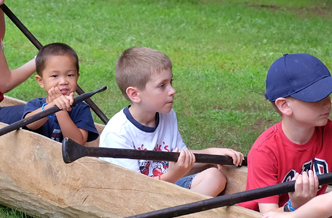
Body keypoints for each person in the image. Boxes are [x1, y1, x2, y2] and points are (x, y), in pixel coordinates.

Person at [238, 53, 332, 218]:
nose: (327, 102)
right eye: (317, 97)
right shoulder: (265, 151)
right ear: (284, 105)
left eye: (328, 93)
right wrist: (294, 205)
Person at [98, 47, 244, 196]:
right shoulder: (118, 133)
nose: (172, 90)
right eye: (162, 85)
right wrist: (173, 175)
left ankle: (185, 213)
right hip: (137, 197)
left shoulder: (166, 115)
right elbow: (135, 192)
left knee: (214, 177)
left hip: (167, 189)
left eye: (170, 82)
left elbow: (181, 157)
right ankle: (186, 215)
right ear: (134, 94)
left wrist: (210, 153)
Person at [20, 43, 98, 145]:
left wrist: (60, 111)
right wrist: (52, 106)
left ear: (77, 77)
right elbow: (29, 124)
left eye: (70, 75)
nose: (63, 81)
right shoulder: (35, 105)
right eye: (55, 76)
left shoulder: (81, 109)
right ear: (41, 81)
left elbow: (78, 142)